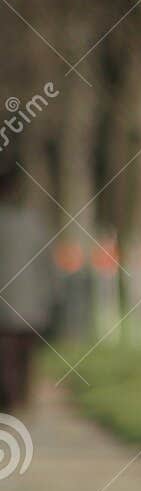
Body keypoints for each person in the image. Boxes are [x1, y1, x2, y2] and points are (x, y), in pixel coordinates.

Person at [0, 165, 55, 415]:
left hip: (9, 303)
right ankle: (21, 397)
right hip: (29, 303)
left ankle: (11, 398)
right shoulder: (34, 223)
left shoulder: (30, 222)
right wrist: (50, 296)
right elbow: (45, 264)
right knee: (23, 355)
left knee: (8, 354)